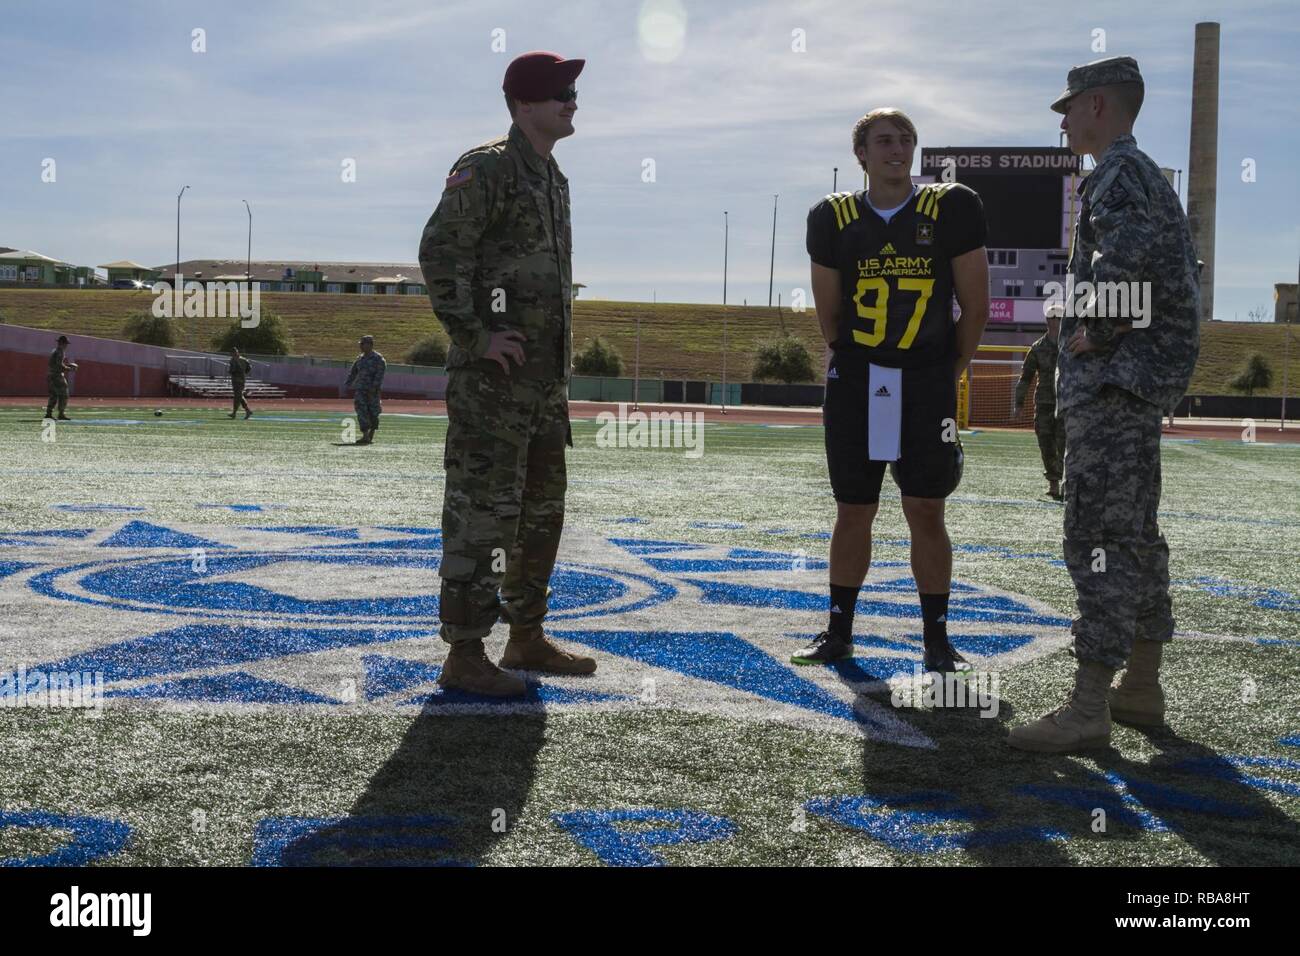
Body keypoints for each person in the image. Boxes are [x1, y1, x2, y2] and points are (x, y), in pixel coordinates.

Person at [1009, 57, 1201, 752]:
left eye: (1067, 108)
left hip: (1115, 384)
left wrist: (1087, 333)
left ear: (1097, 105)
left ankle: (1089, 706)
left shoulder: (1116, 174)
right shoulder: (1140, 173)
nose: (1060, 121)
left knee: (1095, 539)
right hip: (1138, 382)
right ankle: (1141, 689)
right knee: (1135, 537)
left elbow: (1120, 270)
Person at [418, 50, 595, 696]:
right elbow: (439, 250)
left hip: (544, 389)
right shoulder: (487, 168)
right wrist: (475, 335)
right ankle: (465, 652)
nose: (573, 102)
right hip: (493, 389)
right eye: (561, 92)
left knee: (541, 514)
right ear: (524, 104)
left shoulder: (554, 179)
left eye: (574, 92)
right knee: (482, 515)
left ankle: (526, 637)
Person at [795, 107, 989, 674]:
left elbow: (974, 308)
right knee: (853, 510)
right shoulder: (832, 217)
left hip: (925, 380)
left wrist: (946, 371)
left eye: (906, 139)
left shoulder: (951, 206)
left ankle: (936, 639)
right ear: (861, 154)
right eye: (884, 140)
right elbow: (830, 318)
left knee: (926, 509)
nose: (897, 149)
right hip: (860, 381)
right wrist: (858, 366)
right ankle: (839, 631)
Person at [1014, 309, 1065, 499]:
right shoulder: (1037, 348)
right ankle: (1053, 484)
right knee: (1046, 443)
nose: (1055, 321)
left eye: (1059, 318)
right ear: (1047, 321)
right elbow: (1025, 377)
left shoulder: (1069, 345)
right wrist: (1018, 403)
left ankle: (1067, 483)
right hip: (1044, 403)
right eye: (1052, 318)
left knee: (1065, 443)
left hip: (1065, 402)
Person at [344, 335, 386, 445]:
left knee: (373, 412)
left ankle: (371, 433)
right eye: (360, 344)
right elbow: (353, 373)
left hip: (372, 391)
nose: (361, 346)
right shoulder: (360, 359)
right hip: (361, 390)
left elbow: (380, 375)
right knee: (361, 411)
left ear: (370, 345)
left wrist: (374, 387)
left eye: (363, 344)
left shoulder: (378, 359)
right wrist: (347, 385)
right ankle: (365, 435)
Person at [44, 335, 78, 421]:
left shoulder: (55, 351)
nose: (66, 345)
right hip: (56, 375)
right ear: (63, 343)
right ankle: (61, 413)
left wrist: (66, 366)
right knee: (64, 394)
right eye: (66, 343)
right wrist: (69, 368)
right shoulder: (60, 351)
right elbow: (59, 365)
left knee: (53, 395)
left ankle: (48, 413)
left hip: (50, 374)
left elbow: (55, 363)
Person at [228, 347, 252, 419]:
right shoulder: (244, 360)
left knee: (237, 396)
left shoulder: (233, 360)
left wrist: (231, 372)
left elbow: (233, 370)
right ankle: (248, 411)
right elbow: (249, 368)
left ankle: (234, 413)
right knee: (239, 396)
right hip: (239, 380)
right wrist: (244, 373)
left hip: (237, 380)